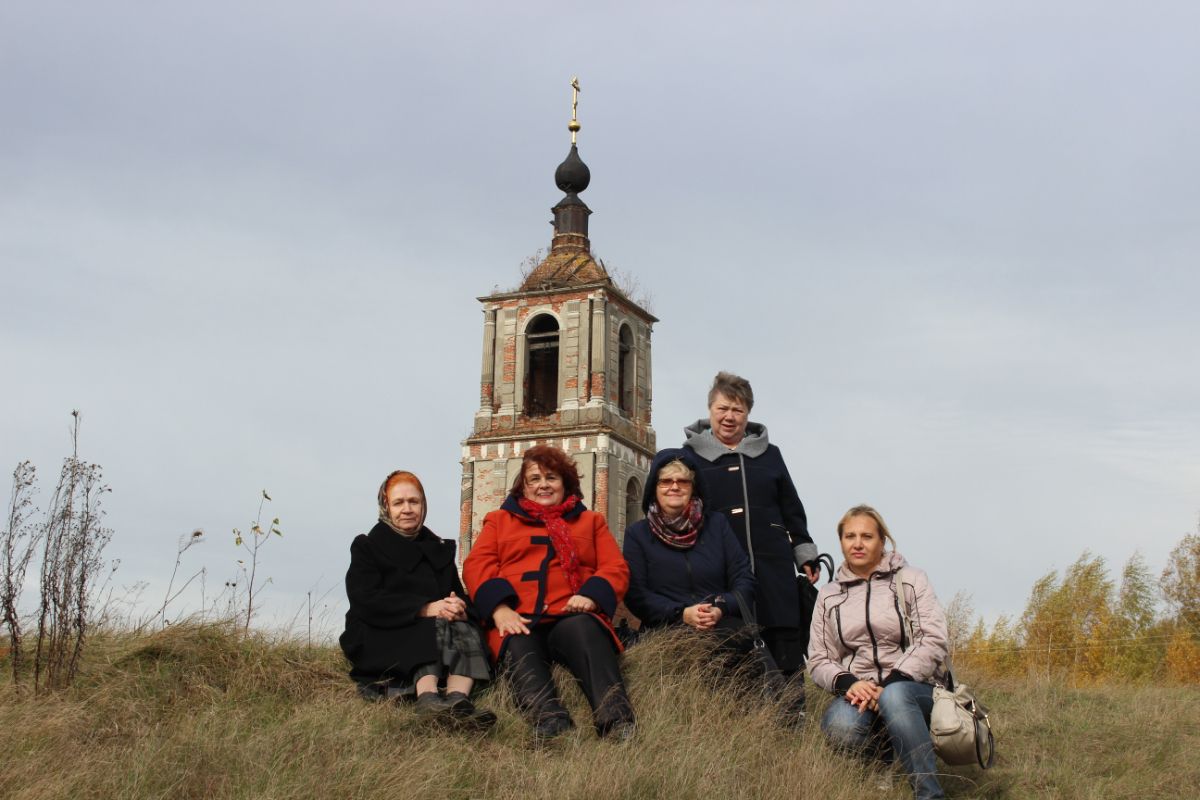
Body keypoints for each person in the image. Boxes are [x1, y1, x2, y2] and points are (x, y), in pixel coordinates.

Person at [462, 444, 635, 740]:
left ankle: (616, 721)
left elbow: (615, 567)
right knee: (516, 646)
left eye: (551, 477)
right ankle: (551, 722)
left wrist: (591, 595)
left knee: (585, 632)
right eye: (535, 479)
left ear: (565, 483)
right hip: (519, 617)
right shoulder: (499, 520)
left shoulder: (591, 522)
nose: (543, 485)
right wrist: (500, 609)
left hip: (570, 613)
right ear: (524, 487)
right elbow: (477, 564)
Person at [683, 372, 820, 701]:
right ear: (710, 409)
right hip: (721, 574)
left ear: (748, 414)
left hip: (774, 569)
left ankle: (791, 723)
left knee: (784, 652)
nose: (729, 416)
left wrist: (805, 553)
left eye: (738, 410)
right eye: (723, 408)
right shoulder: (689, 457)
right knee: (733, 655)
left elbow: (792, 507)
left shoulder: (770, 454)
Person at [808, 505, 949, 800]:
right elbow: (819, 658)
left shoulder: (911, 579)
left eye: (867, 536)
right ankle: (882, 764)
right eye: (850, 536)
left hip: (915, 687)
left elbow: (933, 639)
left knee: (895, 696)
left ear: (882, 541)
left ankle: (929, 794)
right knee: (840, 723)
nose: (857, 543)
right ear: (841, 542)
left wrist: (890, 684)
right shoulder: (829, 595)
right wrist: (849, 683)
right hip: (859, 692)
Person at [623, 448, 786, 700]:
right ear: (654, 487)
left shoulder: (717, 525)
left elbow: (743, 578)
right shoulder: (638, 534)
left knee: (743, 649)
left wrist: (720, 607)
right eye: (666, 481)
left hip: (721, 623)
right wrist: (682, 613)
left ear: (693, 487)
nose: (674, 487)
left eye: (683, 481)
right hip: (666, 628)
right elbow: (636, 594)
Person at [339, 470, 496, 730]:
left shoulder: (437, 548)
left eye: (414, 501)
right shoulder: (368, 546)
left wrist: (459, 608)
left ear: (424, 505)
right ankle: (428, 699)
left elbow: (456, 593)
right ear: (386, 506)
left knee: (464, 626)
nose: (408, 509)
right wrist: (424, 608)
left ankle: (458, 701)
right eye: (399, 503)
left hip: (436, 629)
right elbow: (364, 599)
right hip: (379, 630)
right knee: (428, 623)